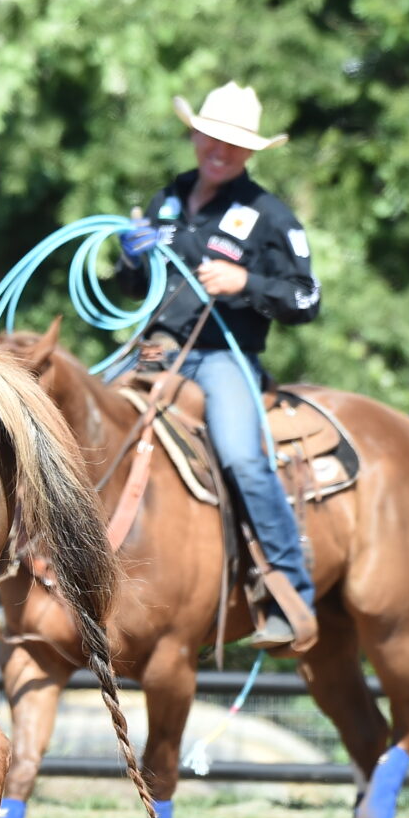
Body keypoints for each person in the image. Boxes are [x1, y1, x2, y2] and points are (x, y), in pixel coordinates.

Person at [113, 81, 322, 652]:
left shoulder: (270, 216)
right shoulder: (168, 198)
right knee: (79, 427)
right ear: (195, 134)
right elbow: (133, 284)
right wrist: (130, 255)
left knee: (240, 456)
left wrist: (245, 282)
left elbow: (307, 297)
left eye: (233, 144)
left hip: (225, 357)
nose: (220, 151)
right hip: (157, 348)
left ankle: (289, 592)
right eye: (212, 138)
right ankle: (38, 567)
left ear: (251, 152)